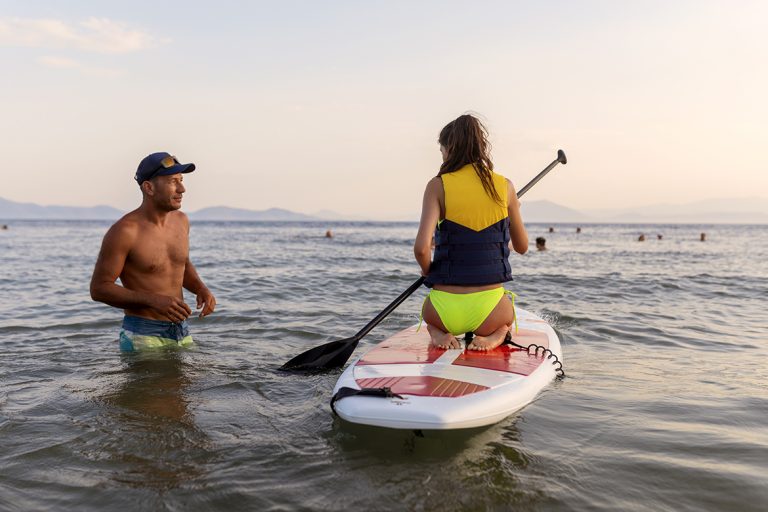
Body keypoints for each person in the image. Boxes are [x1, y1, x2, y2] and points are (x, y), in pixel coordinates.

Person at [414, 114, 528, 352]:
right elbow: (522, 246)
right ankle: (498, 334)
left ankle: (437, 332)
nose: (442, 155)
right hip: (491, 312)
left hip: (444, 312)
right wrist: (509, 213)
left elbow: (422, 249)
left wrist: (428, 273)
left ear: (450, 149)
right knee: (506, 317)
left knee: (429, 314)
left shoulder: (437, 185)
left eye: (442, 149)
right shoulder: (505, 186)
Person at [90, 152, 216, 351]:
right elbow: (99, 289)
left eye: (181, 180)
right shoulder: (125, 231)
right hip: (143, 334)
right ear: (149, 187)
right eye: (173, 181)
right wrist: (153, 301)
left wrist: (200, 288)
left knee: (191, 382)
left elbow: (180, 262)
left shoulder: (181, 221)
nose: (182, 189)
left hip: (181, 330)